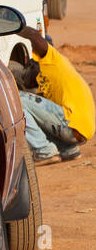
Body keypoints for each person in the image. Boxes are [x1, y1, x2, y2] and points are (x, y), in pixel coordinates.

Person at [16, 25, 94, 165]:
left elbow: (34, 35)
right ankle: (68, 149)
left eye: (26, 70)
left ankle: (44, 151)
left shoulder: (51, 61)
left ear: (35, 64)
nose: (24, 76)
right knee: (34, 115)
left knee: (17, 101)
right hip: (79, 132)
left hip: (75, 124)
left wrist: (13, 26)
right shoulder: (44, 86)